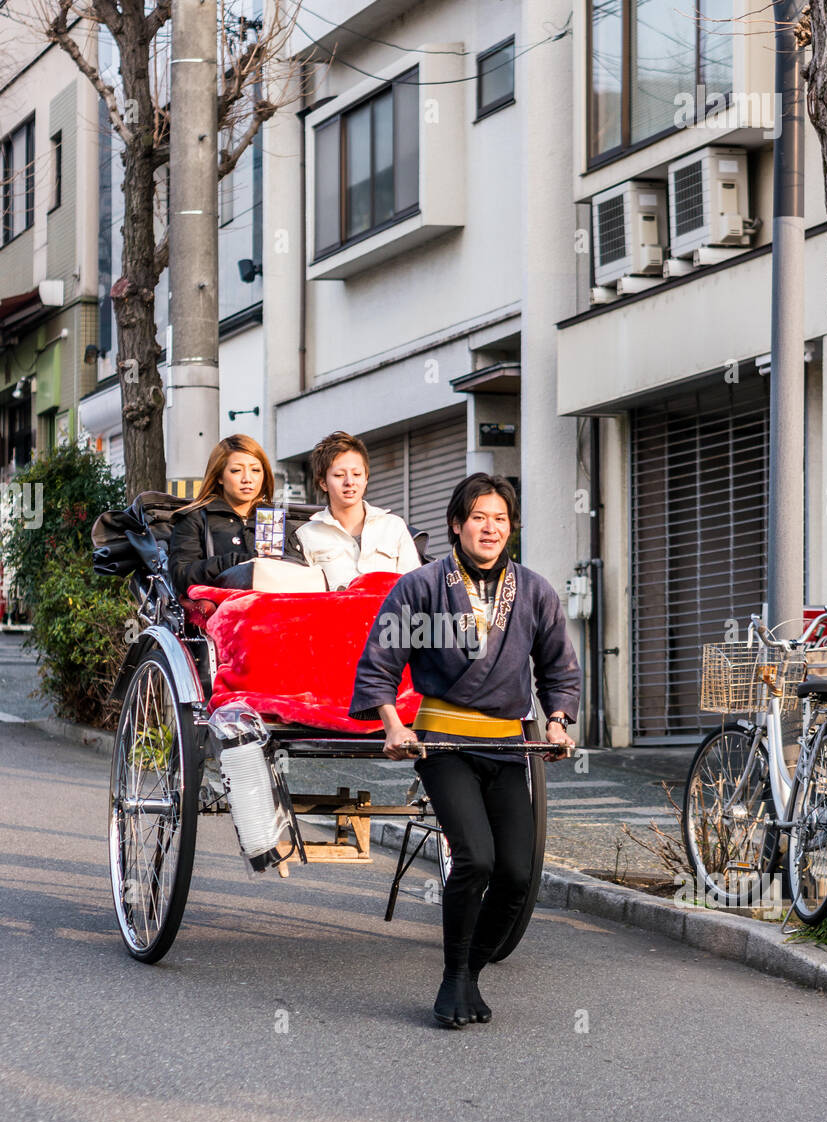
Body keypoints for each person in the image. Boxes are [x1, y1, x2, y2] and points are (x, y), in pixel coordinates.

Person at [349, 473, 581, 1030]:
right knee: (475, 856)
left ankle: (470, 972)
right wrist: (393, 726)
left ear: (511, 528)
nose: (490, 527)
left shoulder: (534, 590)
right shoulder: (422, 586)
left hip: (508, 745)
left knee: (520, 873)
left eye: (500, 518)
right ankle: (452, 977)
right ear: (457, 524)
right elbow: (380, 662)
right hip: (444, 742)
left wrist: (555, 722)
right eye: (479, 516)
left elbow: (557, 669)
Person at [168, 435, 301, 596]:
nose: (247, 479)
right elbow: (182, 576)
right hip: (221, 614)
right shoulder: (196, 518)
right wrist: (237, 563)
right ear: (219, 477)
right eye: (236, 470)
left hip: (273, 613)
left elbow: (299, 572)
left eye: (256, 470)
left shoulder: (272, 518)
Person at [296, 431, 421, 591]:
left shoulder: (393, 526)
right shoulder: (306, 536)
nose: (350, 482)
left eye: (357, 474)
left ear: (366, 477)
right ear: (323, 483)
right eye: (339, 475)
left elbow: (415, 588)